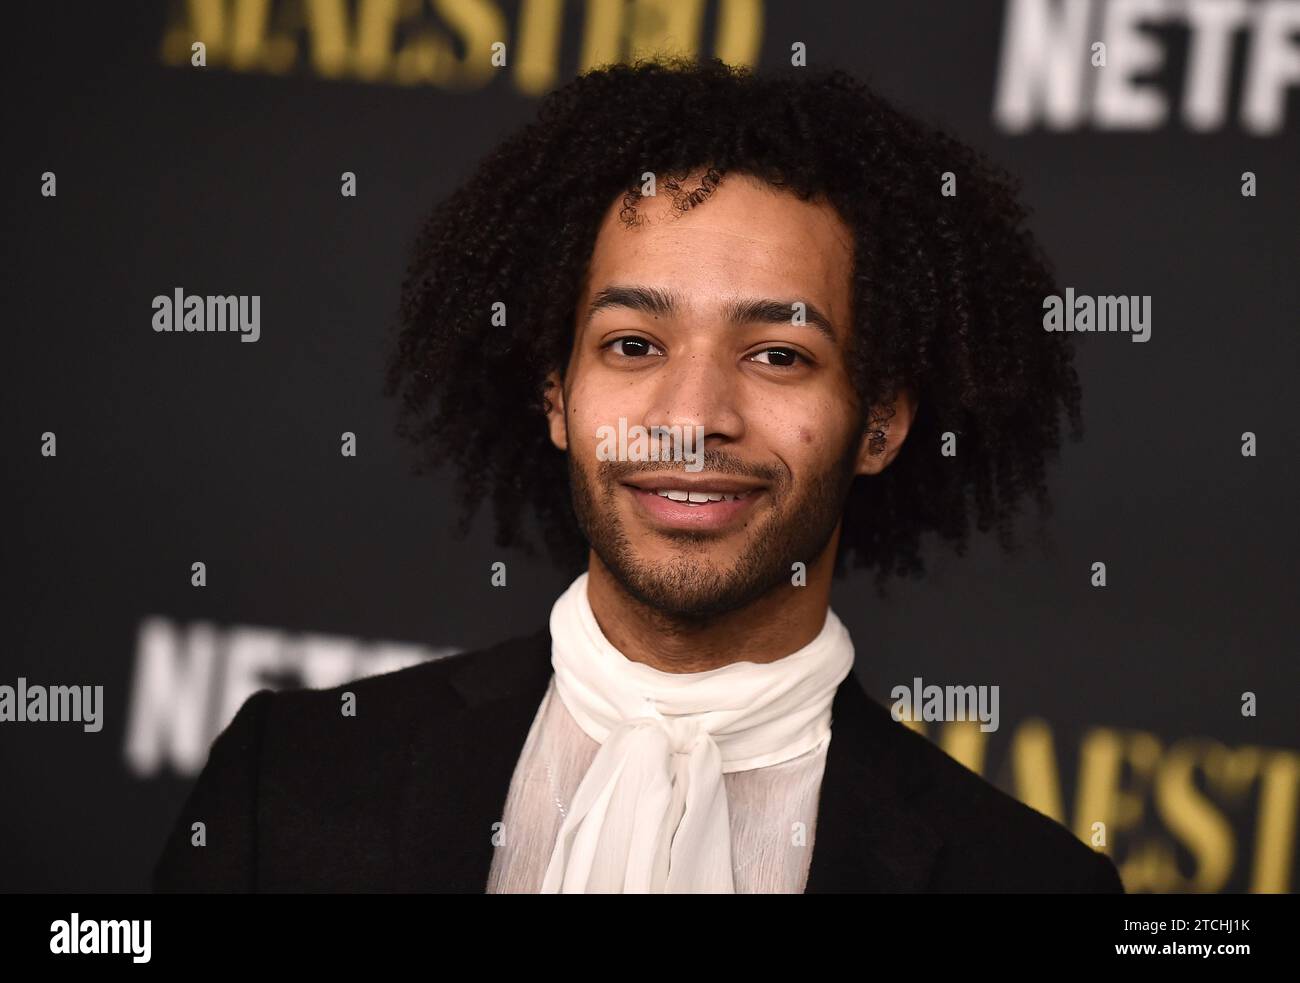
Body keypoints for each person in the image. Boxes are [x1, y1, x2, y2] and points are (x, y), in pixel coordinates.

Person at [153, 58, 1121, 894]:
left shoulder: (1028, 880)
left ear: (879, 422)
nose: (691, 419)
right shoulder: (290, 780)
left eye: (778, 353)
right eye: (631, 343)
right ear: (555, 397)